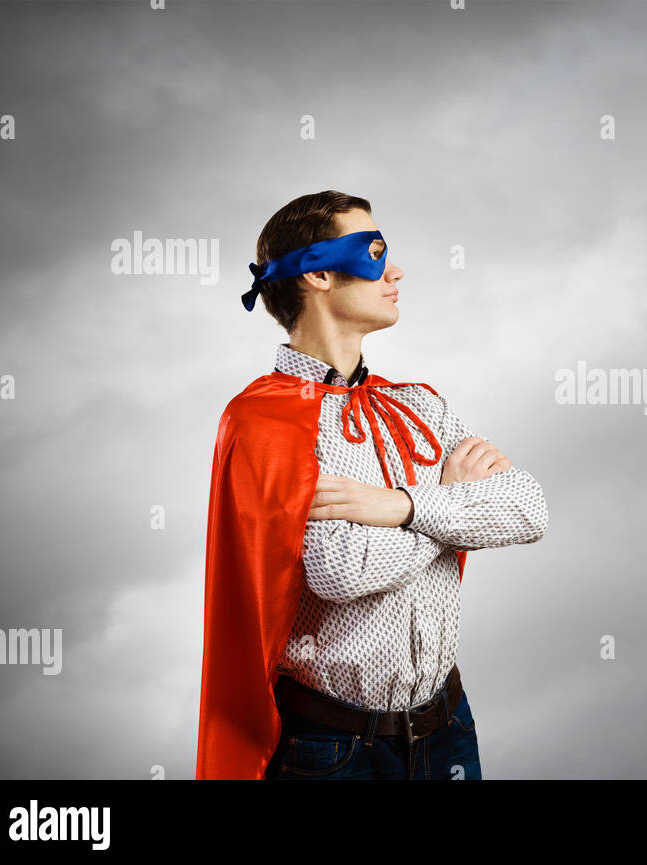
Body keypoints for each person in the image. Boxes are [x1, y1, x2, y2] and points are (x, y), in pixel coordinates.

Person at [195, 190, 548, 780]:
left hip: (448, 729)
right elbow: (340, 569)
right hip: (333, 750)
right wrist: (452, 507)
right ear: (319, 275)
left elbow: (529, 508)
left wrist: (401, 506)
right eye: (374, 252)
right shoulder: (265, 421)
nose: (396, 271)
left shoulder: (420, 407)